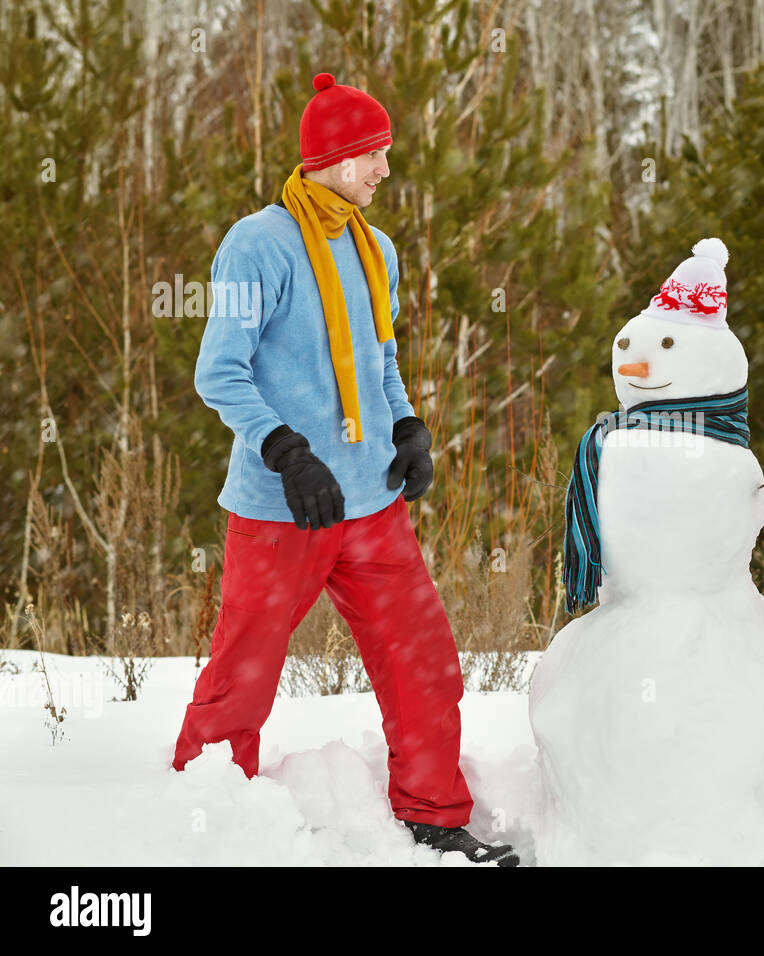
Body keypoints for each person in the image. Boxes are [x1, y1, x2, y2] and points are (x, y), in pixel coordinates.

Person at [172, 71, 517, 866]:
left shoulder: (375, 248)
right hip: (279, 509)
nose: (386, 171)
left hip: (372, 504)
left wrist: (406, 426)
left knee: (425, 664)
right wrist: (286, 451)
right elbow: (219, 372)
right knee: (241, 680)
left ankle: (433, 818)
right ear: (332, 157)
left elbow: (381, 358)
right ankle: (202, 819)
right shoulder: (256, 245)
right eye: (374, 155)